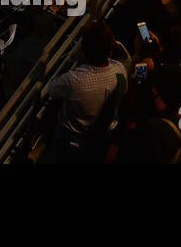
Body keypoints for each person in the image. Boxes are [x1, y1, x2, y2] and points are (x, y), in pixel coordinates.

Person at [45, 22, 127, 163]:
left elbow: (52, 89)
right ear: (110, 51)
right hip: (102, 135)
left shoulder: (74, 80)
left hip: (72, 137)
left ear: (84, 51)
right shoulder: (120, 70)